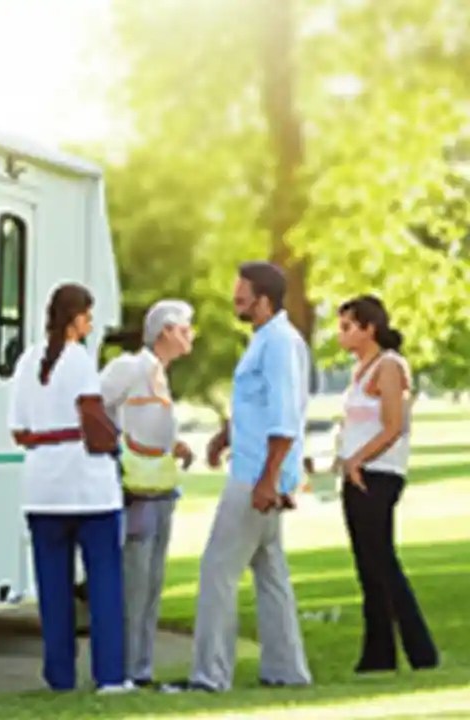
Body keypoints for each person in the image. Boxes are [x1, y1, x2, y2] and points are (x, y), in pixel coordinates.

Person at [163, 261, 313, 693]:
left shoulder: (279, 343)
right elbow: (257, 403)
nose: (235, 300)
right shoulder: (266, 339)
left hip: (255, 477)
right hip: (257, 469)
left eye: (241, 295)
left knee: (217, 571)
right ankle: (287, 671)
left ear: (263, 299)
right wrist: (225, 435)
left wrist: (268, 480)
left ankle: (210, 676)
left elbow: (284, 417)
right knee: (271, 574)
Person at [8, 282, 133, 694]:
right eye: (88, 317)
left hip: (42, 488)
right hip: (88, 487)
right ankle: (110, 676)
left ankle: (59, 676)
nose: (91, 325)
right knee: (104, 583)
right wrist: (114, 446)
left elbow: (19, 431)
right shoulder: (78, 358)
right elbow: (92, 417)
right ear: (76, 319)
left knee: (53, 589)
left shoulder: (27, 361)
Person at [335, 294, 438, 673]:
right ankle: (379, 654)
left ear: (369, 328)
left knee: (381, 561)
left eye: (348, 327)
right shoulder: (358, 371)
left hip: (379, 474)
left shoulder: (389, 366)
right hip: (357, 474)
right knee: (368, 564)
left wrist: (359, 459)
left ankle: (421, 651)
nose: (341, 335)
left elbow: (394, 425)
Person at [100, 299, 196, 687]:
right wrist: (116, 452)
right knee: (135, 582)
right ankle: (123, 669)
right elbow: (93, 408)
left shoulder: (159, 375)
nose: (190, 335)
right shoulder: (130, 367)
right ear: (165, 331)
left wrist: (174, 444)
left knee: (152, 584)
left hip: (161, 489)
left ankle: (141, 670)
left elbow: (147, 426)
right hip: (137, 492)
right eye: (185, 328)